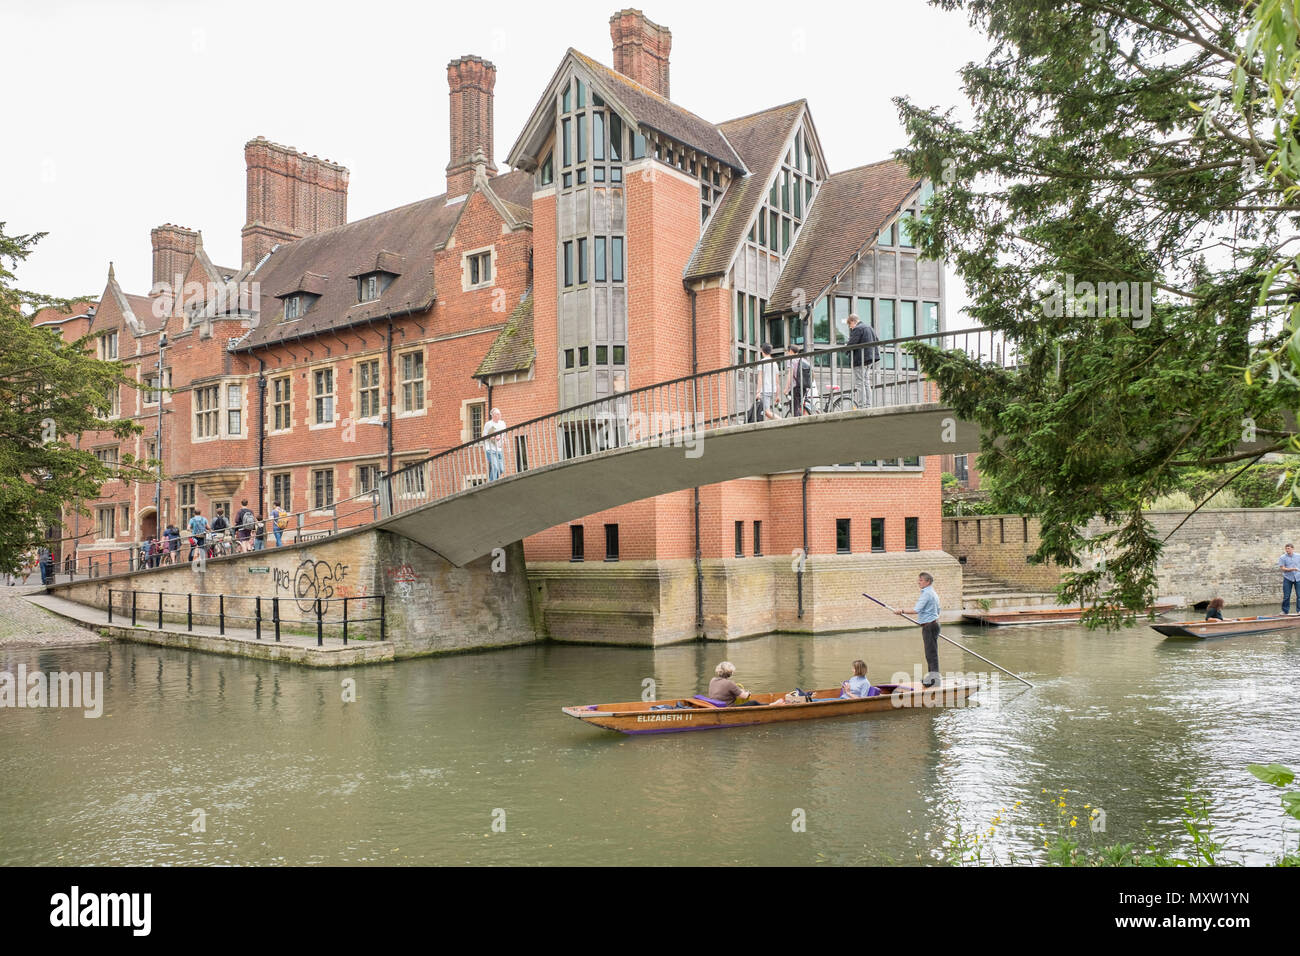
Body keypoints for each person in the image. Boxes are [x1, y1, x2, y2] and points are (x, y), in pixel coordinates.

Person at [896, 572, 942, 687]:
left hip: (929, 626)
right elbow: (938, 609)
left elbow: (917, 609)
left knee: (931, 654)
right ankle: (933, 679)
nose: (918, 582)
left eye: (921, 580)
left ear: (928, 582)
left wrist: (901, 610)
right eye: (919, 580)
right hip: (933, 624)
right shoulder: (932, 592)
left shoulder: (927, 594)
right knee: (931, 653)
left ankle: (934, 680)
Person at [845, 313, 880, 408]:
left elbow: (852, 344)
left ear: (853, 321)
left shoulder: (858, 328)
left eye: (850, 325)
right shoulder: (869, 327)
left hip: (860, 359)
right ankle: (868, 405)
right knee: (866, 382)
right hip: (870, 358)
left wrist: (846, 348)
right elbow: (877, 340)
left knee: (860, 383)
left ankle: (862, 405)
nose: (851, 328)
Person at [785, 344, 811, 417]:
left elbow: (790, 374)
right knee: (797, 406)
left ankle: (798, 425)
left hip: (795, 387)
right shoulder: (803, 360)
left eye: (788, 351)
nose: (787, 353)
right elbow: (812, 373)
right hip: (803, 386)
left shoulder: (791, 360)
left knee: (794, 408)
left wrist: (786, 388)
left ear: (790, 351)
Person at [483, 408, 507, 481]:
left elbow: (504, 433)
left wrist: (503, 440)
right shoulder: (488, 424)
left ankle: (493, 481)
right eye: (497, 414)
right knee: (495, 467)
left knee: (501, 469)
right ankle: (491, 483)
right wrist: (493, 438)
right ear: (493, 415)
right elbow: (484, 436)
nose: (499, 415)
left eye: (499, 414)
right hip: (490, 449)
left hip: (499, 449)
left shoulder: (502, 423)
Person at [759, 343, 779, 420]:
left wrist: (758, 392)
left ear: (762, 351)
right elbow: (777, 381)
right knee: (767, 411)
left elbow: (760, 377)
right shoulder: (774, 363)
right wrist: (777, 395)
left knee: (766, 411)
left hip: (765, 389)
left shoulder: (762, 362)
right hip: (773, 390)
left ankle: (782, 421)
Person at [1280, 544, 1300, 614]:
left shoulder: (1298, 556)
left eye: (1288, 548)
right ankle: (1285, 611)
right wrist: (1291, 569)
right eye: (1286, 549)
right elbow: (1282, 568)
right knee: (1286, 596)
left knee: (1299, 595)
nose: (1287, 550)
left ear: (1292, 549)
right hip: (1288, 578)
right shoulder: (1282, 557)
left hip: (1298, 578)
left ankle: (1299, 611)